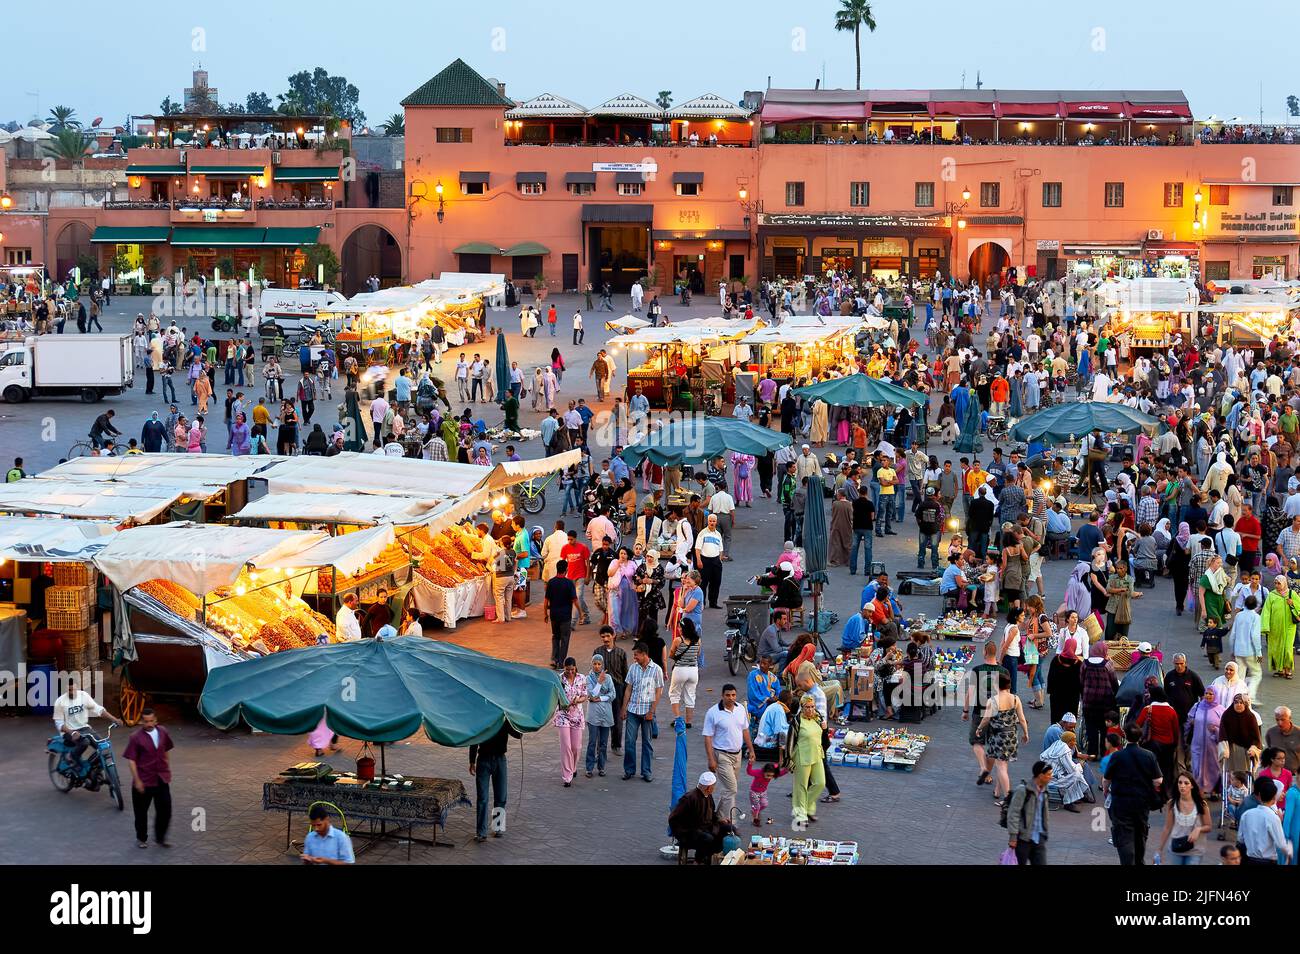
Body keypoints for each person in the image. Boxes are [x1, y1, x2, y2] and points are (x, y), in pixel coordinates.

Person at [1105, 724, 1164, 865]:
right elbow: (1158, 780)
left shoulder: (1117, 756)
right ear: (1140, 737)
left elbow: (1107, 779)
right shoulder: (1149, 756)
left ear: (1125, 736)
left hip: (1121, 803)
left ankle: (1128, 861)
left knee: (1124, 835)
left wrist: (1106, 791)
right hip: (1141, 802)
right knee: (1140, 833)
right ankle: (1139, 860)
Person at [122, 708, 174, 850]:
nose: (149, 724)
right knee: (141, 812)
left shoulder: (163, 732)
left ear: (156, 720)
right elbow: (131, 760)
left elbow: (166, 750)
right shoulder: (135, 737)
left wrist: (166, 768)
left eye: (151, 721)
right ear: (141, 721)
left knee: (165, 810)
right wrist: (137, 780)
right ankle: (141, 838)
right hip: (143, 780)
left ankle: (160, 838)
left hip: (161, 778)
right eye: (146, 721)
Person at [978, 670, 1030, 805]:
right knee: (1003, 763)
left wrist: (979, 729)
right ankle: (997, 790)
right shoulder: (1015, 699)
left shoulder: (992, 700)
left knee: (1000, 765)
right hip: (1011, 735)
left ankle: (1008, 798)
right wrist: (1026, 733)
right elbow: (1022, 719)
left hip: (997, 736)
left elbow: (986, 719)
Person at [468, 722, 521, 842]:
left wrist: (521, 722)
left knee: (501, 796)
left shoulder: (504, 716)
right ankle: (481, 832)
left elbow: (518, 735)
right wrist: (472, 760)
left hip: (500, 759)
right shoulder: (483, 716)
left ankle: (498, 828)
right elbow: (475, 737)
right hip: (483, 760)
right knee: (482, 797)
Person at [53, 675, 119, 771]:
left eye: (74, 690)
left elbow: (98, 710)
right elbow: (59, 724)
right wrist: (72, 732)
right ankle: (70, 757)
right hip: (69, 732)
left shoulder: (83, 695)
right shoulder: (59, 702)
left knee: (103, 746)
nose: (73, 693)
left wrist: (114, 719)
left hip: (85, 728)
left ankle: (95, 772)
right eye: (70, 690)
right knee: (84, 742)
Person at [668, 771, 732, 864]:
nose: (714, 788)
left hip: (705, 828)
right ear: (709, 788)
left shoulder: (708, 796)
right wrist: (682, 832)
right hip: (689, 833)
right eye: (714, 786)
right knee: (708, 838)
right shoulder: (689, 798)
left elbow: (711, 814)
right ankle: (698, 860)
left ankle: (708, 856)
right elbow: (673, 818)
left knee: (728, 829)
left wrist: (720, 820)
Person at [622, 641, 664, 781]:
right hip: (633, 710)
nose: (635, 658)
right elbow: (628, 689)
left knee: (647, 743)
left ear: (644, 654)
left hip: (647, 712)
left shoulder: (656, 669)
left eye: (636, 655)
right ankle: (629, 770)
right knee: (629, 742)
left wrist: (652, 711)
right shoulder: (633, 668)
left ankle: (646, 771)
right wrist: (624, 708)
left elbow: (658, 691)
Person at [1155, 771, 1213, 865]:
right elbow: (1167, 828)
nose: (1182, 786)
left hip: (1195, 850)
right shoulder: (1172, 803)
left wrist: (1198, 829)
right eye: (1180, 782)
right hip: (1176, 848)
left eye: (1186, 783)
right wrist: (1159, 850)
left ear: (1192, 786)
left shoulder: (1201, 804)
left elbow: (1209, 826)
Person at [1006, 761, 1053, 865]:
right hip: (1023, 839)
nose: (1051, 777)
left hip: (1039, 838)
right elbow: (1013, 813)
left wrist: (1045, 833)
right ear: (1041, 775)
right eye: (1049, 774)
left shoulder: (1045, 791)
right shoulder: (1023, 791)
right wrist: (1013, 837)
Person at [1238, 776, 1294, 864]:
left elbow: (1240, 839)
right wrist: (1290, 850)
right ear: (1274, 798)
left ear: (1259, 795)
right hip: (1267, 861)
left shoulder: (1247, 814)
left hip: (1249, 860)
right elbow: (1281, 844)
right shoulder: (1273, 817)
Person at [790, 694, 827, 826]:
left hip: (817, 754)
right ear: (802, 707)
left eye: (812, 707)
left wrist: (825, 728)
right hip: (802, 755)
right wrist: (789, 760)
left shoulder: (817, 719)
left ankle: (806, 808)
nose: (810, 710)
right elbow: (790, 740)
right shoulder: (797, 721)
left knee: (820, 783)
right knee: (801, 786)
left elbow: (824, 737)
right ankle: (800, 815)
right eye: (807, 707)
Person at [554, 657, 588, 787]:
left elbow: (585, 696)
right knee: (566, 746)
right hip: (563, 715)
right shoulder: (559, 678)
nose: (570, 672)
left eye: (572, 669)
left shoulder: (581, 678)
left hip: (577, 715)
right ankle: (567, 776)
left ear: (575, 668)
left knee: (576, 747)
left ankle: (573, 767)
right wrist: (563, 703)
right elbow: (555, 696)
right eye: (567, 670)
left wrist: (577, 700)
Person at [543, 560, 579, 670]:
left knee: (555, 636)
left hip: (554, 615)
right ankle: (561, 661)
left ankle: (554, 658)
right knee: (565, 638)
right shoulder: (569, 583)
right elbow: (575, 600)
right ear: (566, 570)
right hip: (565, 616)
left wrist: (545, 613)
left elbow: (546, 601)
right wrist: (581, 613)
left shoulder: (551, 582)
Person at [585, 654, 616, 777]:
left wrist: (601, 698)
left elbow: (612, 694)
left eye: (599, 664)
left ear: (602, 665)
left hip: (606, 715)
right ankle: (589, 767)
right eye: (595, 664)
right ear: (591, 664)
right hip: (593, 715)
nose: (597, 666)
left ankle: (601, 767)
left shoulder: (608, 677)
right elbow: (591, 695)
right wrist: (598, 682)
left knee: (603, 743)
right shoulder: (588, 678)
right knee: (592, 742)